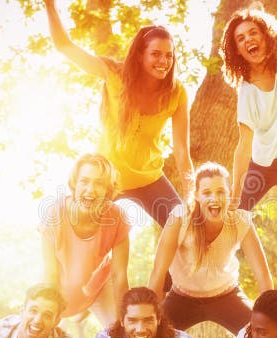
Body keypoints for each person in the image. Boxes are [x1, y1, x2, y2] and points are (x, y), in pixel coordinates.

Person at [43, 0, 194, 227]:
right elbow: (65, 46)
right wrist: (50, 6)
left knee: (186, 232)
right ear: (140, 55)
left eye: (169, 56)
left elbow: (182, 150)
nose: (164, 61)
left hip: (148, 178)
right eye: (156, 54)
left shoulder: (176, 93)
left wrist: (192, 195)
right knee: (80, 232)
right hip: (106, 179)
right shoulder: (114, 74)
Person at [147, 162, 273, 335]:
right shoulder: (180, 219)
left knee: (262, 335)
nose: (214, 198)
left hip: (227, 296)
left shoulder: (240, 221)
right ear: (197, 195)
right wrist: (148, 318)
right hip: (182, 299)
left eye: (221, 192)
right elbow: (158, 272)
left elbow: (262, 274)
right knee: (154, 337)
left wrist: (270, 318)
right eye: (207, 193)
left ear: (230, 194)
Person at [220, 0, 277, 212]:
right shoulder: (246, 92)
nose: (248, 39)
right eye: (241, 38)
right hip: (263, 166)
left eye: (253, 32)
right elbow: (244, 146)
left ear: (264, 35)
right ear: (238, 51)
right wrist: (235, 197)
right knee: (234, 219)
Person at [39, 153, 129, 327]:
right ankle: (79, 312)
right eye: (84, 181)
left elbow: (119, 275)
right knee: (41, 332)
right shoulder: (54, 214)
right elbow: (50, 273)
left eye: (99, 183)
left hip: (98, 289)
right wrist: (51, 312)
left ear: (108, 190)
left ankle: (86, 309)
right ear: (74, 183)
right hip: (61, 290)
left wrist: (124, 321)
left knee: (122, 333)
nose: (90, 189)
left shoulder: (117, 217)